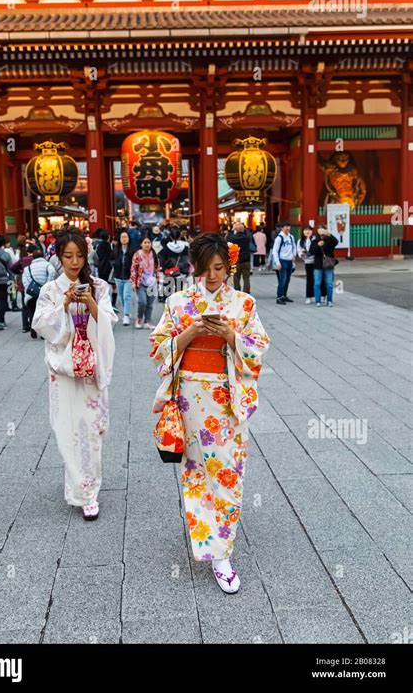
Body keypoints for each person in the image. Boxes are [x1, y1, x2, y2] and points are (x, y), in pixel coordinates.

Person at [149, 232, 270, 593]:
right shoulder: (178, 302)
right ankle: (213, 549)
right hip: (189, 397)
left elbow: (258, 350)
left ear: (229, 267)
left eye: (218, 268)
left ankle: (224, 549)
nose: (212, 276)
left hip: (226, 400)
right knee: (196, 473)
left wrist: (231, 335)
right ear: (195, 268)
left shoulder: (244, 304)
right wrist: (189, 332)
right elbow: (158, 349)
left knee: (229, 472)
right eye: (205, 269)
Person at [31, 228, 117, 521]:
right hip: (64, 371)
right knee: (67, 428)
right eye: (68, 255)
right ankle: (83, 493)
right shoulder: (50, 291)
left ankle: (87, 489)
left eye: (80, 255)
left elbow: (109, 322)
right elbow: (41, 325)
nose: (75, 261)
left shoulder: (100, 287)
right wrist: (63, 305)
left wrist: (93, 307)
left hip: (92, 369)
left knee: (93, 428)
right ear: (58, 256)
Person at [22, 247, 55, 338]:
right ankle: (43, 333)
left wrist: (31, 288)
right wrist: (47, 285)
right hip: (44, 293)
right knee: (44, 312)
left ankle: (33, 330)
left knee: (32, 312)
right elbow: (52, 273)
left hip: (31, 294)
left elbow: (25, 280)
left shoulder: (27, 268)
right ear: (43, 256)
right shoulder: (48, 265)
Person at [130, 236, 159, 329]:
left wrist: (158, 280)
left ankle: (148, 321)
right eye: (145, 243)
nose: (147, 244)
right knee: (142, 302)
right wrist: (133, 282)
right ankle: (139, 318)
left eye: (148, 243)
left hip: (152, 282)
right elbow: (133, 269)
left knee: (150, 304)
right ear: (141, 244)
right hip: (141, 282)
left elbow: (157, 268)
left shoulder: (154, 254)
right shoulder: (137, 254)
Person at [10, 242, 37, 333]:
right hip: (36, 286)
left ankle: (25, 326)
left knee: (25, 306)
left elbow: (12, 267)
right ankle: (35, 324)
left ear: (28, 252)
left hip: (24, 285)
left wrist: (20, 272)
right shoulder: (38, 259)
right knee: (36, 306)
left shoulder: (23, 260)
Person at [310, 224, 339, 308]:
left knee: (329, 283)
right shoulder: (315, 240)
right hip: (318, 265)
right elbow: (311, 251)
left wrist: (329, 234)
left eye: (323, 230)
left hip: (328, 265)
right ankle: (318, 301)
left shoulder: (330, 239)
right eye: (319, 230)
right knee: (317, 283)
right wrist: (318, 245)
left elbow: (336, 242)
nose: (321, 232)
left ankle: (329, 300)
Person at [272, 221, 297, 305]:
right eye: (286, 227)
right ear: (282, 228)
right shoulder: (279, 238)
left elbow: (294, 247)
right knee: (282, 280)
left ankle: (284, 295)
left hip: (289, 261)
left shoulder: (291, 237)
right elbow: (275, 251)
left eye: (289, 226)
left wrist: (294, 255)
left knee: (287, 280)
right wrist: (277, 262)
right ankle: (279, 297)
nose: (288, 228)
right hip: (282, 261)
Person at [112, 230, 133, 326]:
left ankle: (126, 315)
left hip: (129, 277)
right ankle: (126, 311)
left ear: (128, 239)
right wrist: (115, 264)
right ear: (120, 239)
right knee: (122, 297)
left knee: (127, 296)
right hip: (118, 276)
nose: (124, 239)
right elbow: (111, 259)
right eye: (122, 237)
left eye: (126, 237)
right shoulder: (116, 250)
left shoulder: (132, 250)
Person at [227, 221, 252, 293]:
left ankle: (237, 291)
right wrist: (243, 228)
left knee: (236, 278)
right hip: (246, 260)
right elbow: (249, 234)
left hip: (235, 261)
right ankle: (246, 292)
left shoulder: (233, 238)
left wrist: (232, 229)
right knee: (246, 278)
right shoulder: (247, 237)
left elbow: (228, 237)